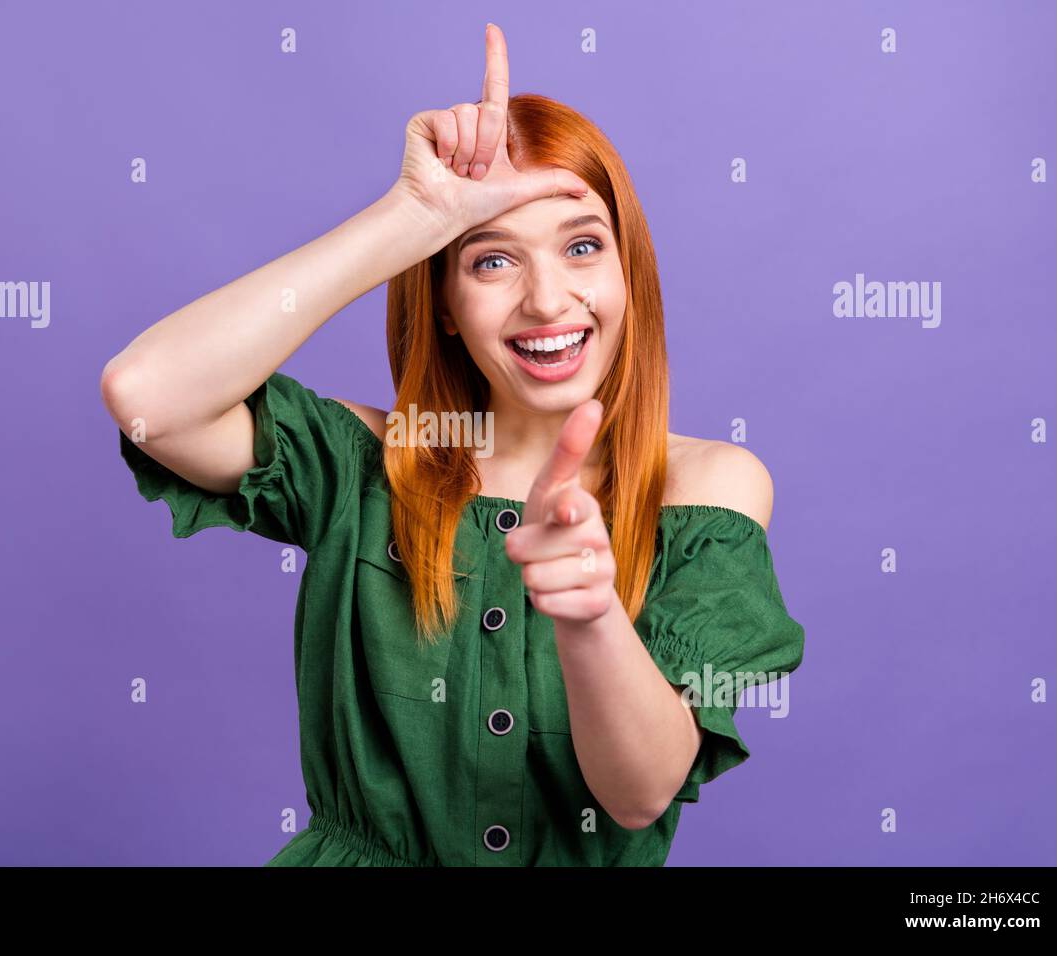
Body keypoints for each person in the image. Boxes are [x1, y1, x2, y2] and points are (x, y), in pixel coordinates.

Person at [100, 23, 805, 866]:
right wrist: (415, 218)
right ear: (442, 301)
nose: (549, 301)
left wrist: (589, 614)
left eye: (583, 246)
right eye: (491, 263)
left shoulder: (709, 488)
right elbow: (148, 397)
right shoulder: (363, 465)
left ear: (628, 271)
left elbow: (641, 789)